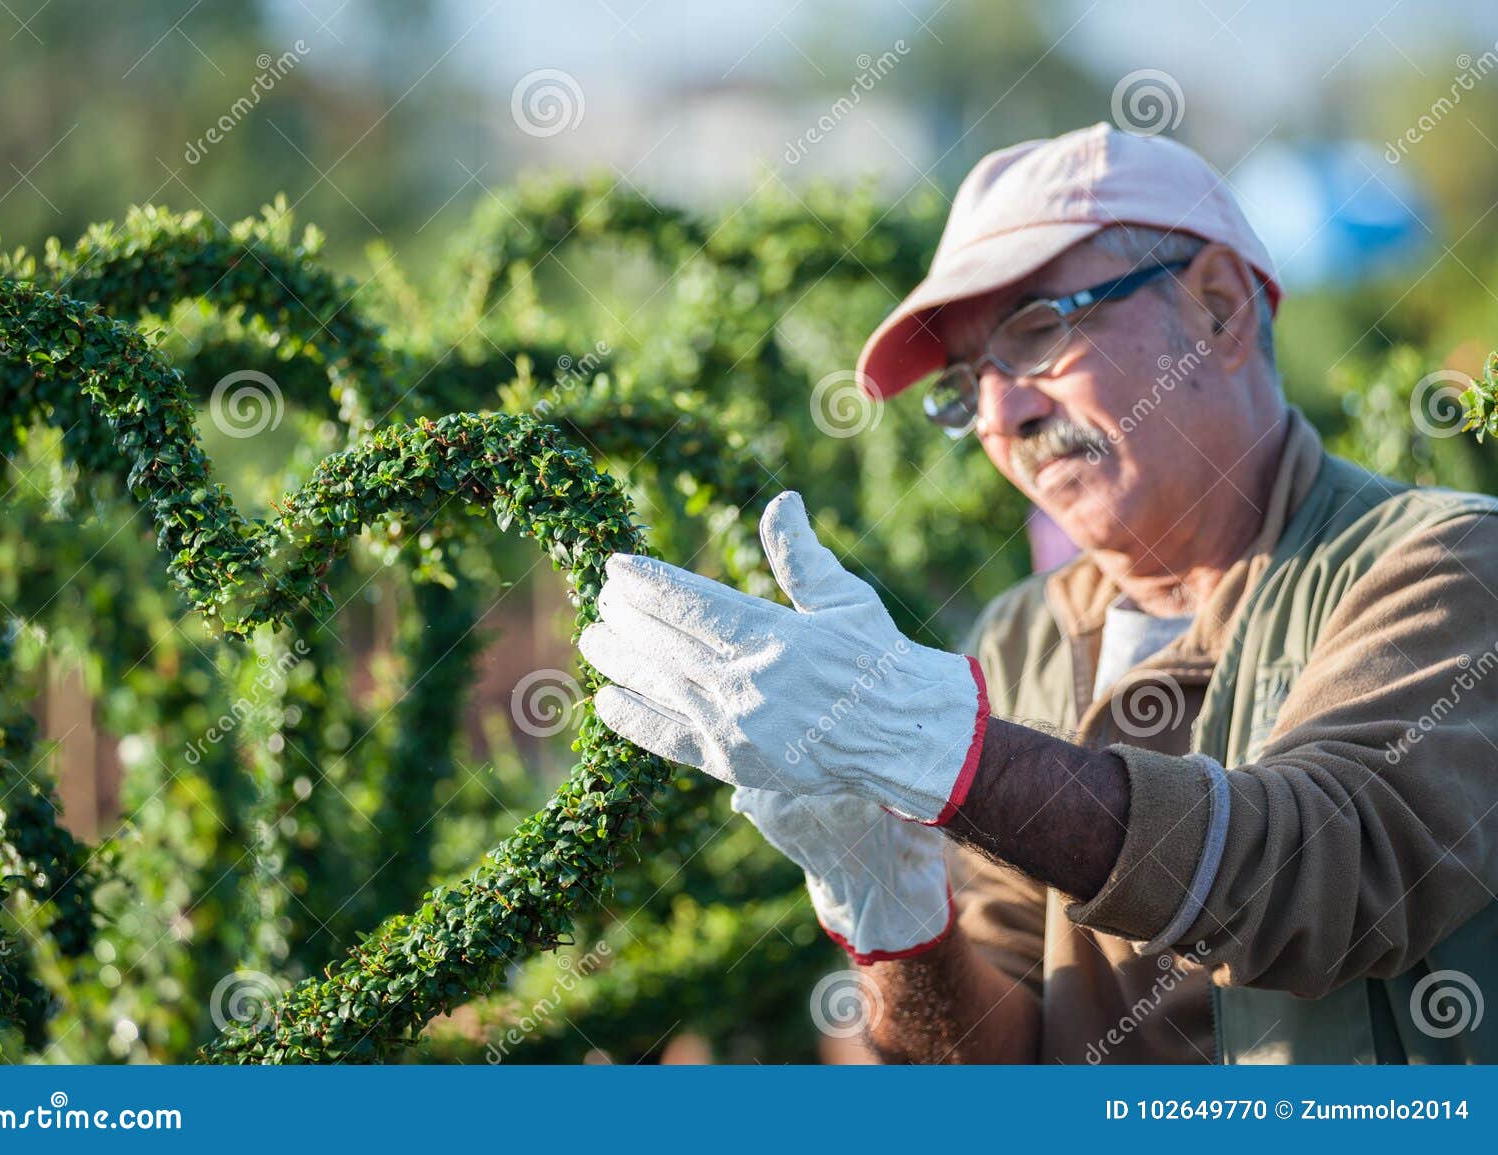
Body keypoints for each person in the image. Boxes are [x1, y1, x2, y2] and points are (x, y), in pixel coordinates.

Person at [580, 123, 1498, 1064]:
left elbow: (1319, 881)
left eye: (1039, 330)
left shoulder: (1446, 564)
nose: (1001, 412)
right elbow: (992, 1059)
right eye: (965, 384)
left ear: (1217, 310)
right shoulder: (1024, 637)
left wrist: (948, 752)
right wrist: (899, 925)